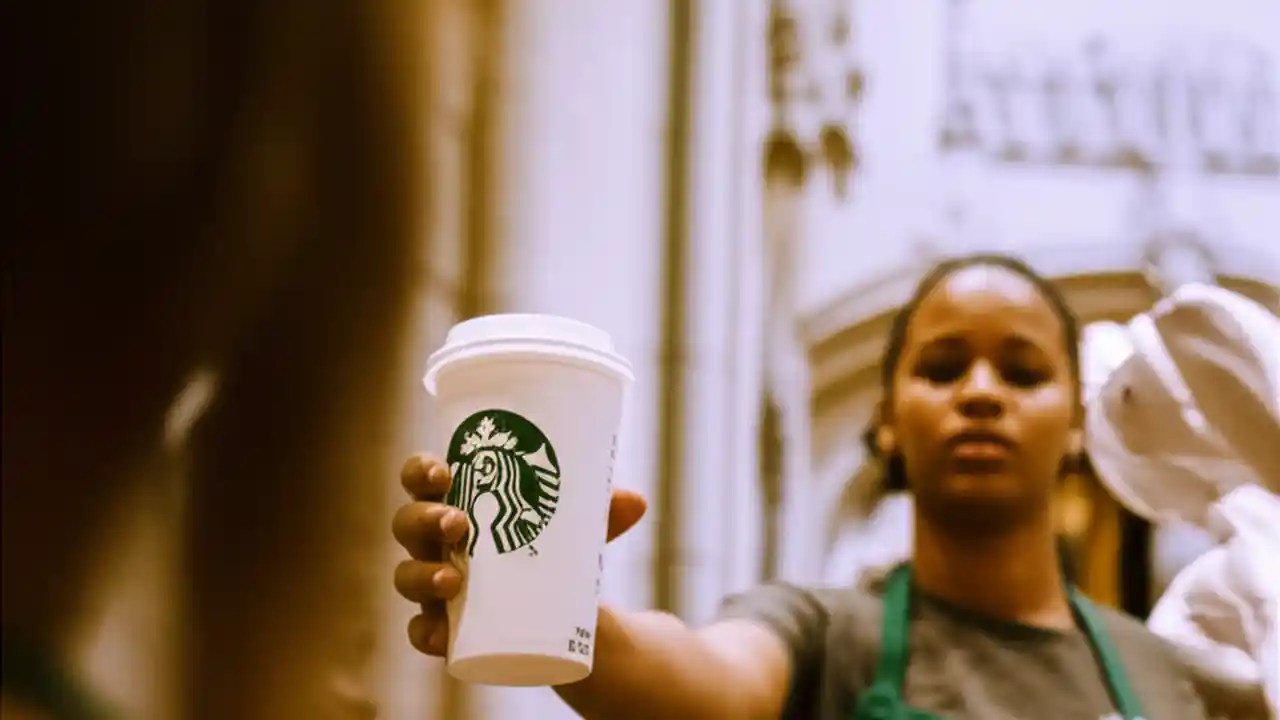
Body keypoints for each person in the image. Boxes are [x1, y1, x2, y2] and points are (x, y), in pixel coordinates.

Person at [392, 253, 1209, 719]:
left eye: (1023, 372)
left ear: (1077, 422)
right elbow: (707, 681)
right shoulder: (819, 633)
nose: (981, 392)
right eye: (943, 367)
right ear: (888, 419)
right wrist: (555, 602)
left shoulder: (1164, 673)